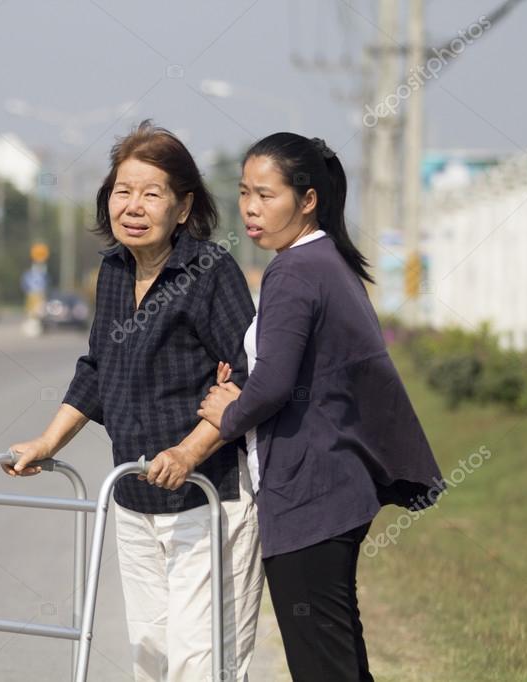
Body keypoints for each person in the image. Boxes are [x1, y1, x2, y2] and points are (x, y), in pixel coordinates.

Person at [8, 120, 263, 681]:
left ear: (182, 206)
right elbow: (99, 368)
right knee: (152, 655)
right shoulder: (115, 271)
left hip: (208, 495)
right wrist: (47, 442)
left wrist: (188, 453)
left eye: (152, 193)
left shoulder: (207, 270)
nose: (134, 205)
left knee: (205, 663)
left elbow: (249, 375)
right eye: (123, 191)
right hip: (134, 495)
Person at [198, 132, 444, 682]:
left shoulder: (295, 269)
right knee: (337, 662)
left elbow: (274, 384)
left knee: (322, 667)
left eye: (267, 195)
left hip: (310, 498)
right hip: (331, 489)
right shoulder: (326, 260)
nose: (251, 208)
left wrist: (227, 412)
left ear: (307, 200)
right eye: (245, 192)